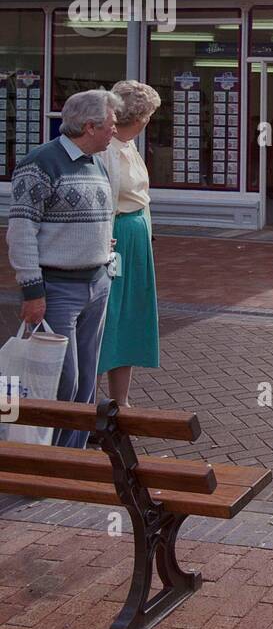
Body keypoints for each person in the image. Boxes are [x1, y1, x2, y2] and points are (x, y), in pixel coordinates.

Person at [6, 89, 118, 449]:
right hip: (58, 288)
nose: (114, 132)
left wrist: (102, 245)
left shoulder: (96, 161)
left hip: (97, 281)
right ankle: (46, 457)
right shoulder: (39, 164)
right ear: (89, 126)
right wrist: (32, 290)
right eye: (110, 126)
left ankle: (73, 456)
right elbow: (22, 231)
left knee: (86, 379)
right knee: (62, 379)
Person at [99, 81, 162, 407]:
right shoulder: (105, 151)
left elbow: (141, 196)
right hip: (117, 239)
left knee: (130, 315)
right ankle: (83, 404)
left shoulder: (129, 145)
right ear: (138, 116)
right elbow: (106, 202)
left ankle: (120, 401)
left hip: (136, 239)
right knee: (110, 315)